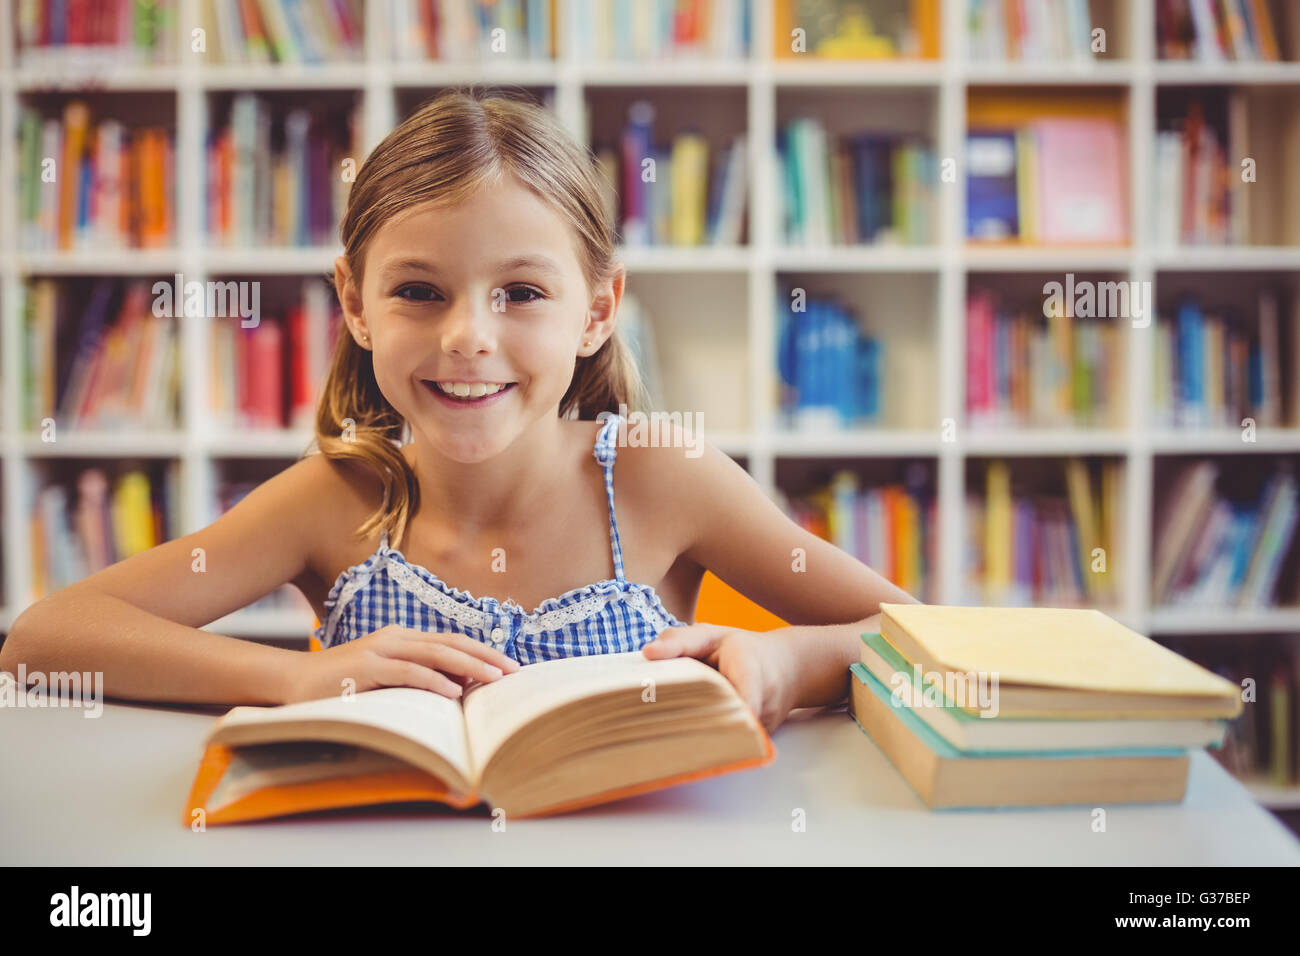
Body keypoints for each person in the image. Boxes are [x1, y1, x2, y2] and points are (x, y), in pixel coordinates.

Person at [0, 88, 918, 733]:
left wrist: (794, 664)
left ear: (598, 311)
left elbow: (922, 637)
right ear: (355, 305)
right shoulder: (336, 496)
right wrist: (294, 676)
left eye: (521, 292)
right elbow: (44, 641)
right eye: (419, 292)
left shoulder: (656, 473)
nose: (469, 337)